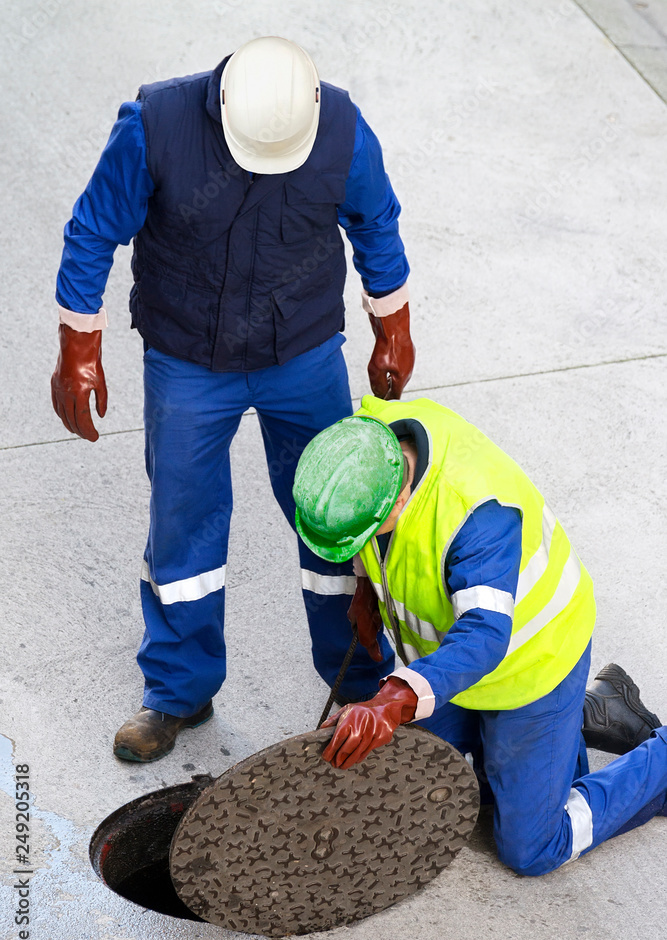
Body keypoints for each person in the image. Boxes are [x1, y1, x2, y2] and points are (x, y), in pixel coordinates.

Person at [51, 36, 414, 761]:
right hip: (188, 358)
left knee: (336, 514)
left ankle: (360, 685)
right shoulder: (155, 126)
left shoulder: (340, 129)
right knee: (183, 522)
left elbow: (376, 223)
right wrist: (77, 348)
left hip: (301, 352)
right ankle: (179, 691)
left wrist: (392, 328)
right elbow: (92, 232)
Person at [292, 395, 666, 875]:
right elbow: (368, 537)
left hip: (534, 664)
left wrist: (392, 700)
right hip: (457, 666)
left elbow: (484, 636)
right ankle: (587, 713)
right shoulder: (364, 446)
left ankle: (653, 757)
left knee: (531, 847)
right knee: (408, 778)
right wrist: (366, 589)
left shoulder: (476, 515)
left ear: (399, 499)